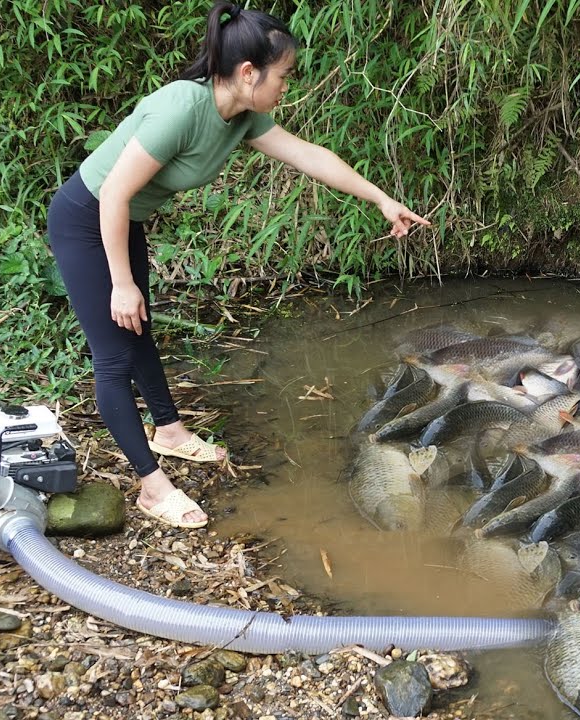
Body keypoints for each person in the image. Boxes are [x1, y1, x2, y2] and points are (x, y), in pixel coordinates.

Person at [46, 2, 429, 529]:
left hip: (120, 218)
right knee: (114, 355)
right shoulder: (183, 107)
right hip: (87, 217)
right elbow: (113, 191)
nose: (286, 88)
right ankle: (151, 487)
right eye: (284, 76)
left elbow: (308, 154)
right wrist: (121, 282)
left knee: (140, 330)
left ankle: (171, 431)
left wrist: (380, 199)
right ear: (248, 73)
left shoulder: (241, 116)